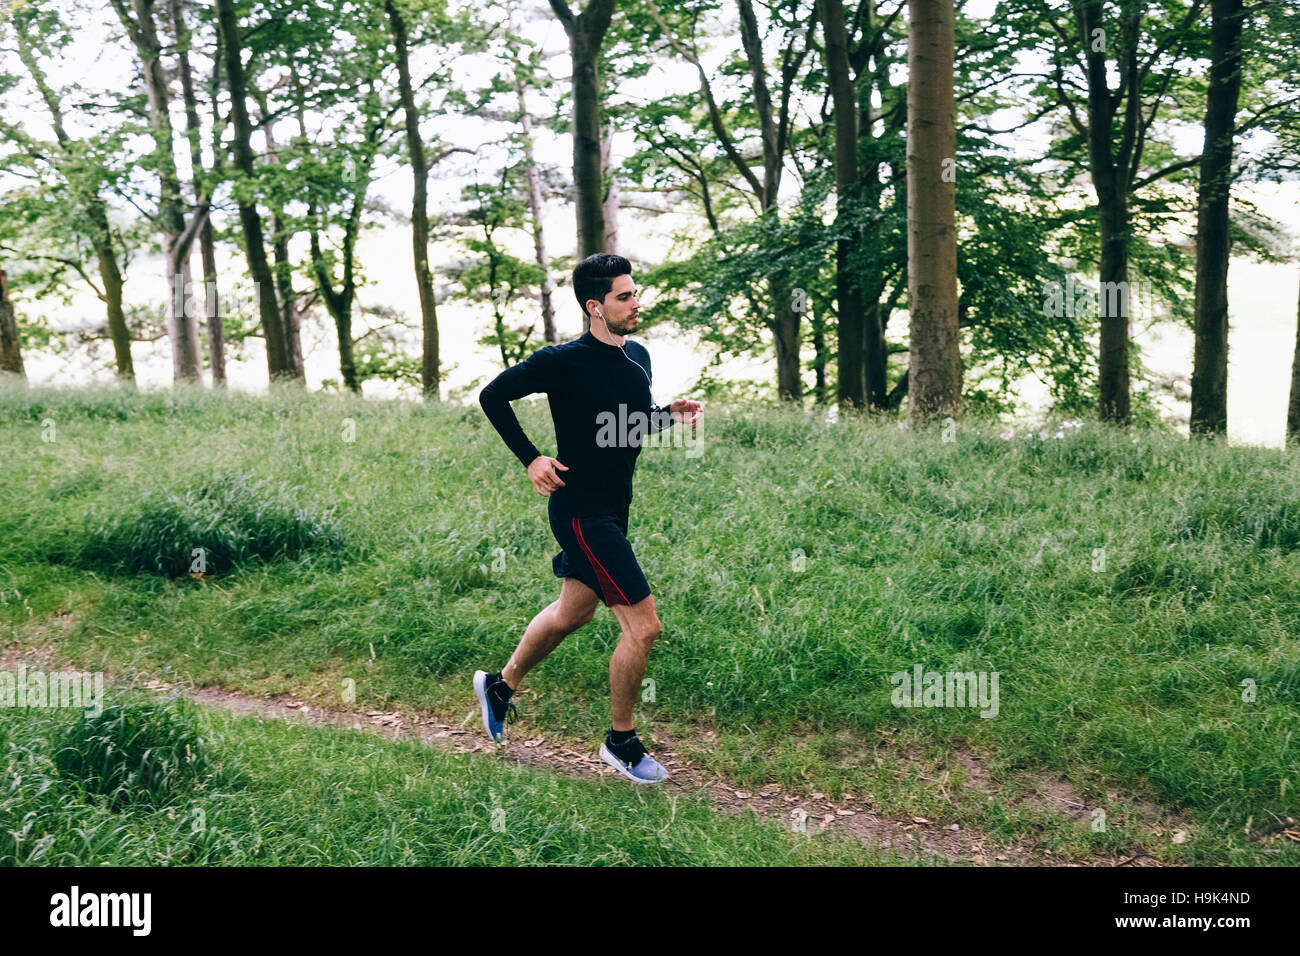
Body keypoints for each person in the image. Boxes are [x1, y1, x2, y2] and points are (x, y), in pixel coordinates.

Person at [475, 253, 703, 783]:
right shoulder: (562, 361)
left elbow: (624, 427)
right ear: (594, 307)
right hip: (581, 511)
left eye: (634, 292)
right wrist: (532, 457)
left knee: (572, 612)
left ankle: (499, 687)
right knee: (644, 628)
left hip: (613, 508)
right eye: (624, 297)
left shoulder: (638, 356)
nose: (635, 302)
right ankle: (620, 743)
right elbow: (493, 396)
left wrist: (669, 416)